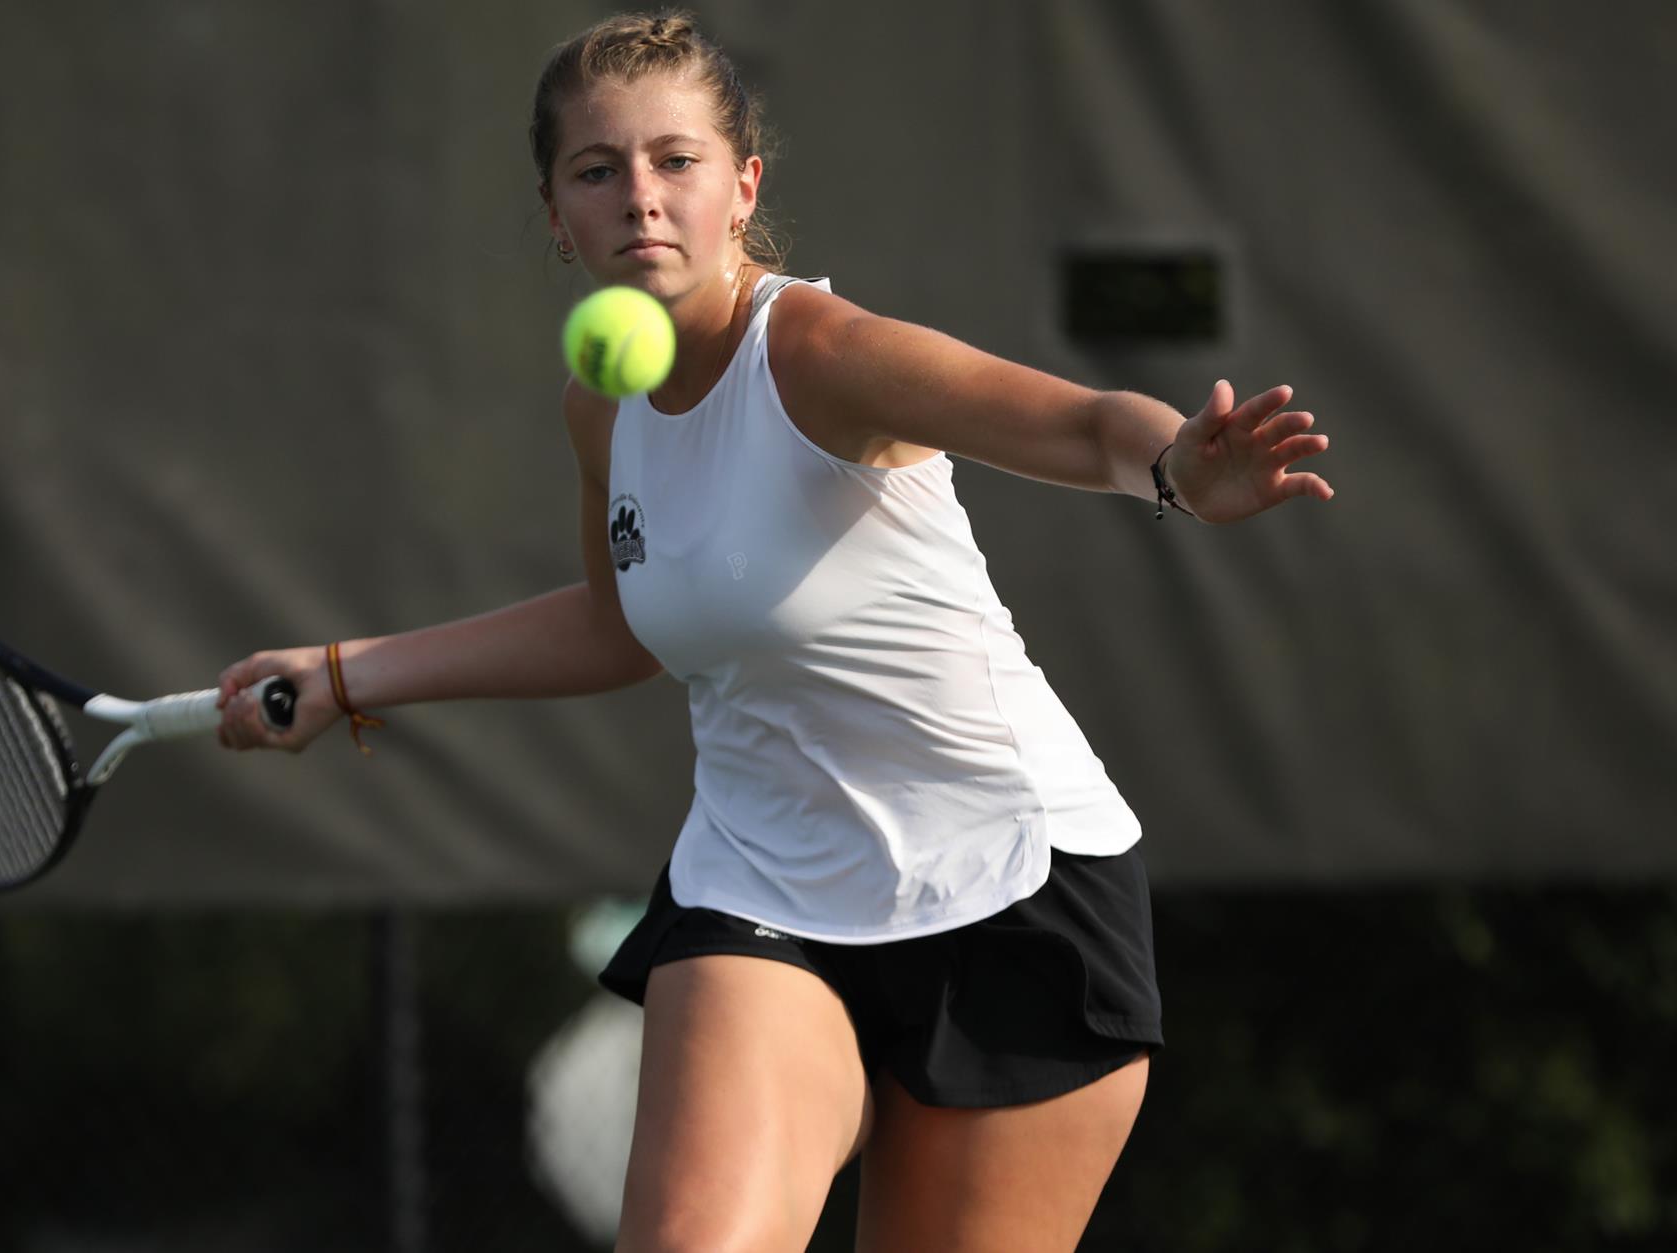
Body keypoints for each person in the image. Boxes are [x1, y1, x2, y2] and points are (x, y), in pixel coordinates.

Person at [217, 11, 1333, 1251]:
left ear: (740, 186)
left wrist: (1178, 466)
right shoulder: (603, 404)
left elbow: (1076, 425)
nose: (639, 197)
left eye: (674, 160)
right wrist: (344, 672)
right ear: (554, 213)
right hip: (762, 882)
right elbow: (616, 624)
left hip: (1009, 884)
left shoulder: (816, 351)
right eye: (597, 170)